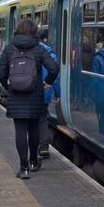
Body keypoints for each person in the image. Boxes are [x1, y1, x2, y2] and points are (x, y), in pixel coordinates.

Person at [0, 17, 56, 178]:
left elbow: (0, 72)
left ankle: (23, 168)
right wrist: (47, 82)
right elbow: (53, 68)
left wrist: (8, 86)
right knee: (34, 128)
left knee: (20, 130)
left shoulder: (9, 49)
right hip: (34, 95)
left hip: (16, 96)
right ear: (34, 32)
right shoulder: (38, 49)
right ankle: (33, 161)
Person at [36, 27, 61, 158]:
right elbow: (55, 77)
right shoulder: (51, 54)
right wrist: (57, 94)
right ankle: (44, 147)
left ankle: (33, 148)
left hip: (30, 92)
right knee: (42, 119)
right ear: (45, 39)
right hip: (45, 93)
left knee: (31, 120)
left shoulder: (30, 51)